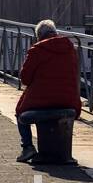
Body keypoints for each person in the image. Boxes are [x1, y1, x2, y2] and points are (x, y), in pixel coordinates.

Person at [15, 19, 82, 163]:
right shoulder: (70, 49)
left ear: (39, 36)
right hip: (69, 101)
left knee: (20, 113)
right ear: (55, 33)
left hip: (42, 101)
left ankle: (27, 147)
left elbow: (25, 79)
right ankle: (62, 152)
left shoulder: (37, 50)